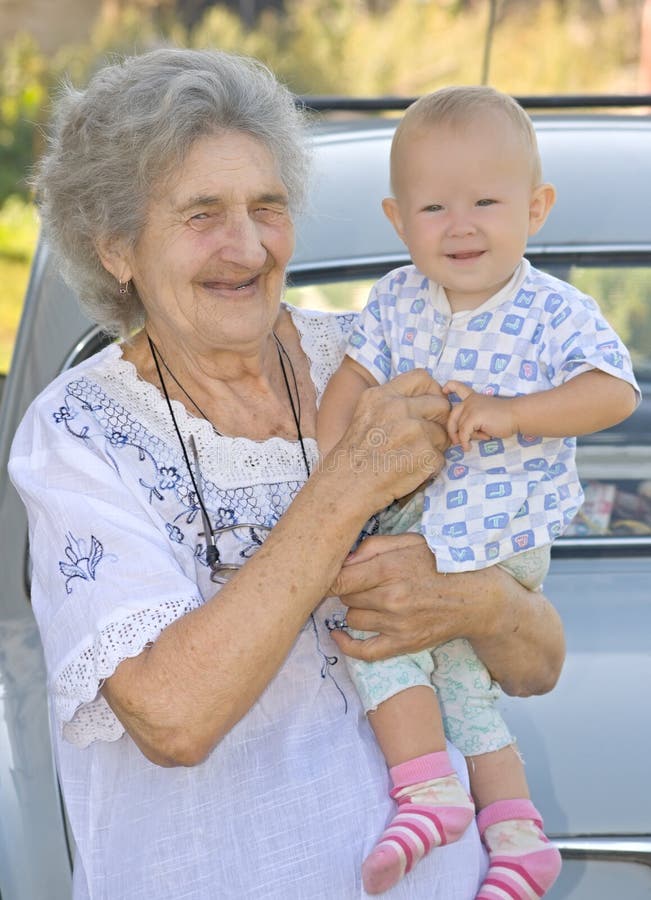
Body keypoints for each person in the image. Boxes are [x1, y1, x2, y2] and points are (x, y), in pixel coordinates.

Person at [8, 54, 566, 900]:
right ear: (116, 246)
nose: (247, 246)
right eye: (202, 214)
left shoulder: (378, 359)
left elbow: (536, 662)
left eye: (265, 206)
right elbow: (172, 717)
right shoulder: (79, 434)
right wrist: (346, 487)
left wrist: (477, 601)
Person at [317, 85, 639, 898]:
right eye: (432, 207)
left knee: (377, 632)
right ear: (397, 221)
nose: (459, 225)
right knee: (460, 691)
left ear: (535, 208)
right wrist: (338, 452)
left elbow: (613, 393)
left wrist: (514, 413)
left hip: (508, 532)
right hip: (426, 525)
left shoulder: (553, 310)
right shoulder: (393, 300)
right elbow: (352, 379)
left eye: (486, 202)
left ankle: (426, 792)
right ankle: (516, 837)